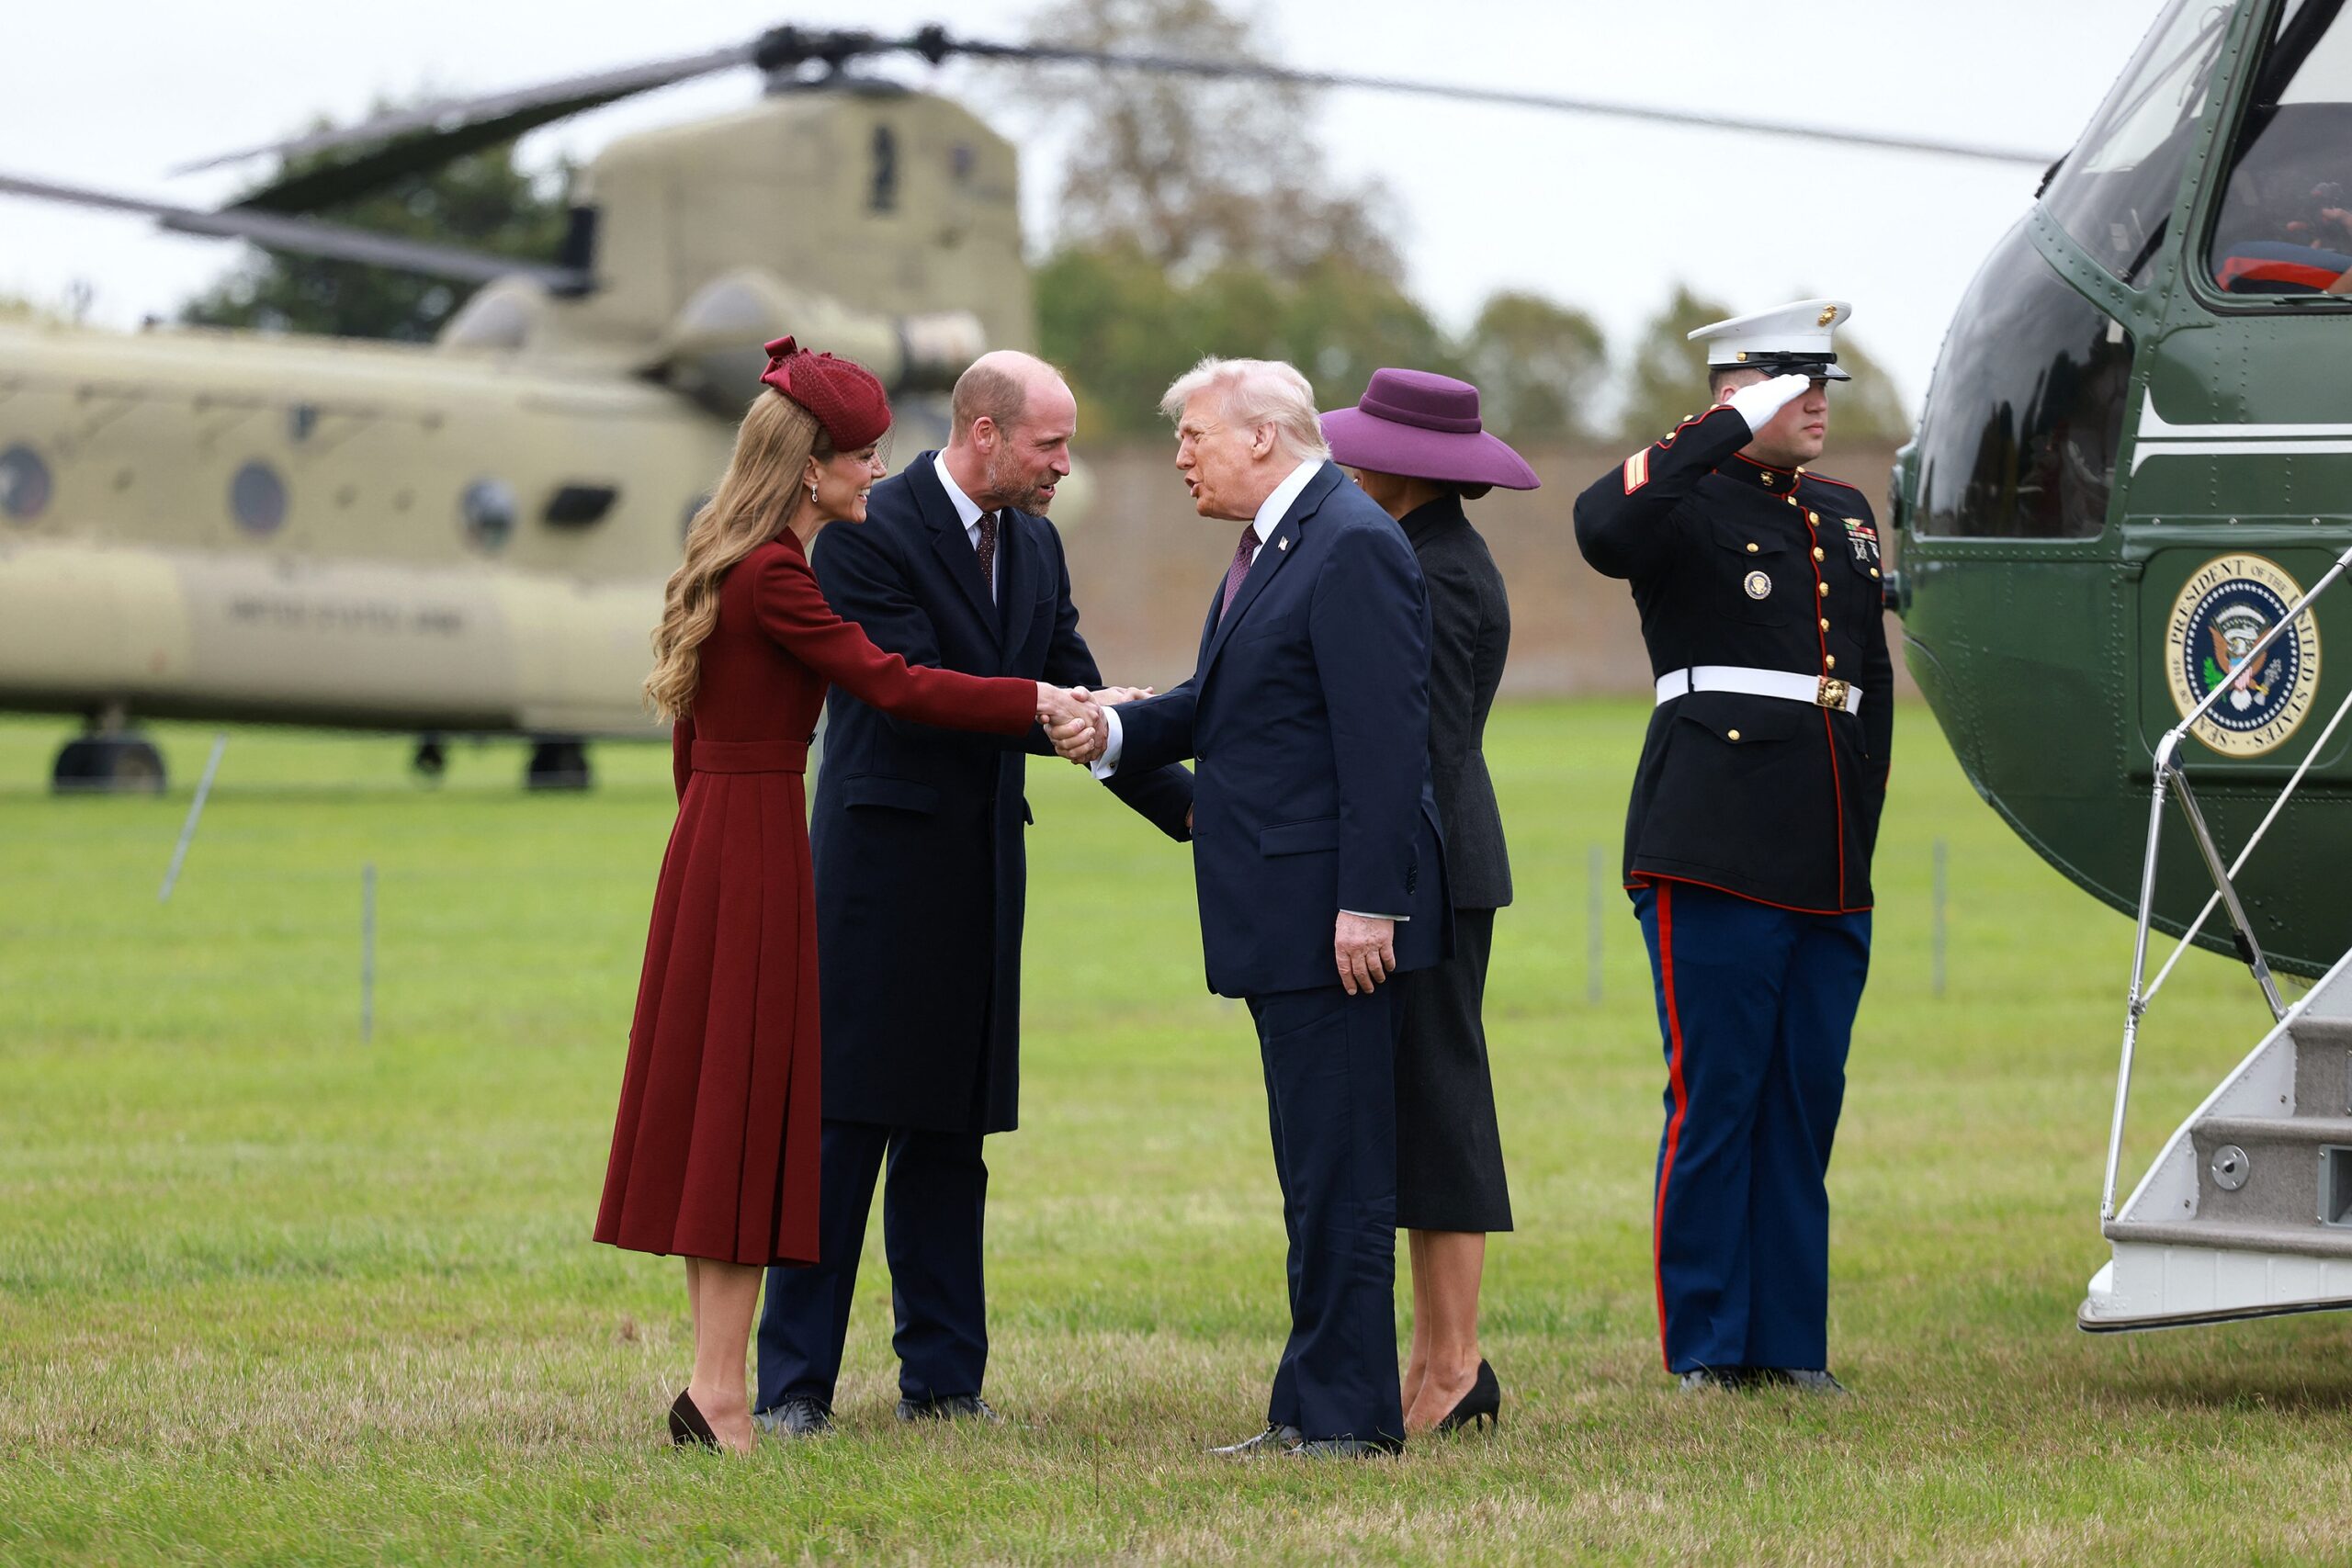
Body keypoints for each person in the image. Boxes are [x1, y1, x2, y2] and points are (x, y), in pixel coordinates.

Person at [594, 337, 1094, 1453]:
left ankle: (722, 1390)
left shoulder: (729, 555)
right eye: (860, 455)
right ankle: (749, 1388)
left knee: (743, 1114)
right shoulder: (785, 570)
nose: (877, 469)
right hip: (772, 842)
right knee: (781, 1121)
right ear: (809, 464)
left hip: (727, 832)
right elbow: (890, 681)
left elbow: (689, 741)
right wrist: (1045, 703)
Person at [753, 352, 1193, 1438]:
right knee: (842, 1134)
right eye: (1050, 444)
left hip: (983, 874)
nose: (1063, 464)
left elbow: (1080, 701)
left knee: (953, 1139)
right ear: (985, 434)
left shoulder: (1036, 544)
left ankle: (944, 1384)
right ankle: (794, 1386)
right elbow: (906, 690)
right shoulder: (866, 533)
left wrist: (1197, 815)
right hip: (874, 876)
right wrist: (1053, 703)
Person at [1053, 356, 1449, 1458]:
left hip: (1332, 920)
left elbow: (1384, 742)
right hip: (1280, 912)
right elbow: (1228, 706)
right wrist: (1112, 734)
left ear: (1264, 437)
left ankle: (1344, 1422)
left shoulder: (1351, 543)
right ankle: (1311, 1408)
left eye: (1194, 436)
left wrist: (1367, 903)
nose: (1179, 455)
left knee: (1339, 1175)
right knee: (1313, 1172)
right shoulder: (1282, 540)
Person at [1571, 299, 1893, 1395]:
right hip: (1710, 837)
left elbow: (1867, 691)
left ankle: (1788, 1348)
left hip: (1825, 847)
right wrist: (1714, 425)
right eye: (1788, 385)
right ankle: (1707, 1346)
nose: (1814, 403)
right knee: (1717, 1098)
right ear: (1731, 394)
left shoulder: (1846, 511)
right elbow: (1599, 531)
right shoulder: (1679, 499)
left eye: (1821, 385)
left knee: (1804, 1100)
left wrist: (1862, 831)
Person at [1320, 367, 1534, 1435]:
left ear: (1403, 469)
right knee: (1418, 1107)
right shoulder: (1418, 550)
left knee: (1443, 1109)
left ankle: (1455, 1366)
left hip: (1433, 867)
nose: (1347, 460)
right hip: (1425, 859)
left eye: (1363, 448)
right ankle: (1433, 1362)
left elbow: (1407, 740)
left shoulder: (1437, 571)